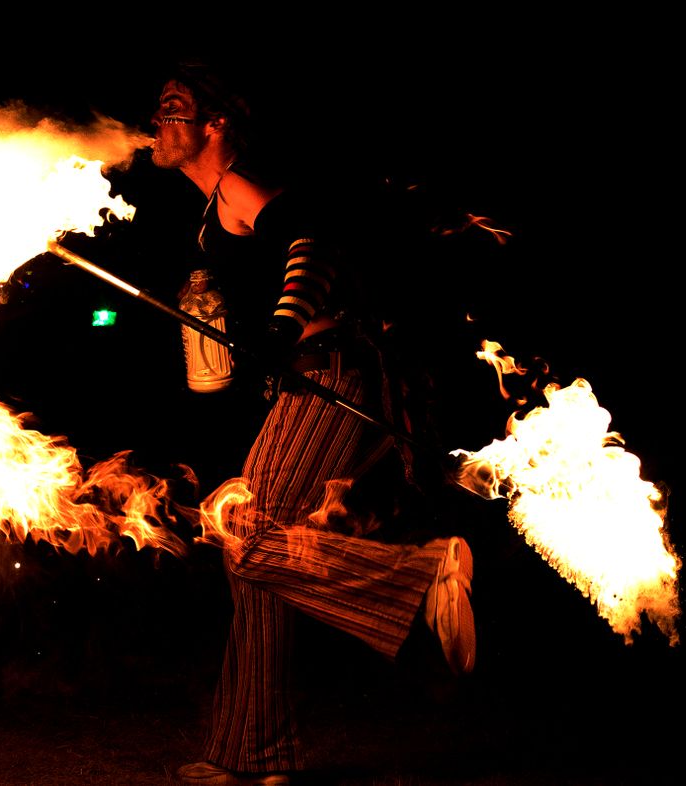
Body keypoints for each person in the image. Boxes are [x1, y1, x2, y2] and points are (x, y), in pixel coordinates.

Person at [148, 60, 476, 786]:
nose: (157, 121)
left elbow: (311, 238)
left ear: (216, 122)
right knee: (252, 558)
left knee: (242, 526)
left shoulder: (238, 183)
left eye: (174, 107)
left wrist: (281, 325)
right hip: (315, 376)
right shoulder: (214, 215)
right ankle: (257, 755)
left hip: (333, 371)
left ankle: (419, 577)